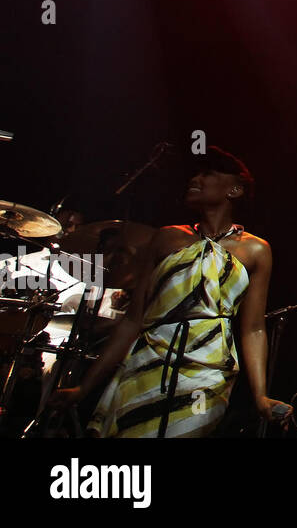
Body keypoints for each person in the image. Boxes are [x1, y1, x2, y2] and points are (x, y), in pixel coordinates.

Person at [50, 147, 283, 436]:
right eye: (196, 173)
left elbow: (253, 329)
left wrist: (260, 396)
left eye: (208, 173)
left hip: (208, 370)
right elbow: (133, 320)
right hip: (146, 362)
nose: (195, 179)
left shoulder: (256, 250)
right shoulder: (167, 237)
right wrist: (84, 388)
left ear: (234, 190)